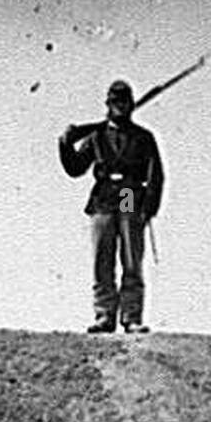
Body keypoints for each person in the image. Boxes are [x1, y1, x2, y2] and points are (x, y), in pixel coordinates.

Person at [59, 79, 165, 334]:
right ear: (108, 105)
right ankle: (104, 316)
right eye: (116, 102)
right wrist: (65, 143)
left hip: (129, 192)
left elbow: (156, 174)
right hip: (104, 196)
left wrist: (149, 206)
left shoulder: (143, 137)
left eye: (125, 102)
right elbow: (75, 168)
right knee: (102, 259)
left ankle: (131, 318)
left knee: (131, 257)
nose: (121, 106)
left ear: (131, 104)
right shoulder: (96, 136)